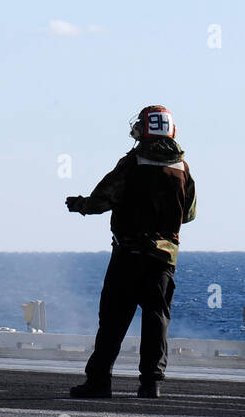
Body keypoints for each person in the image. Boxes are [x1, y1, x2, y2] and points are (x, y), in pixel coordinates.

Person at [65, 106, 196, 399]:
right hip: (164, 258)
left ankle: (99, 382)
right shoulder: (182, 168)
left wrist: (80, 204)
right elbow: (188, 214)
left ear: (143, 129)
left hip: (129, 255)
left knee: (113, 319)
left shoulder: (132, 163)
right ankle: (151, 383)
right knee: (156, 319)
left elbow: (102, 200)